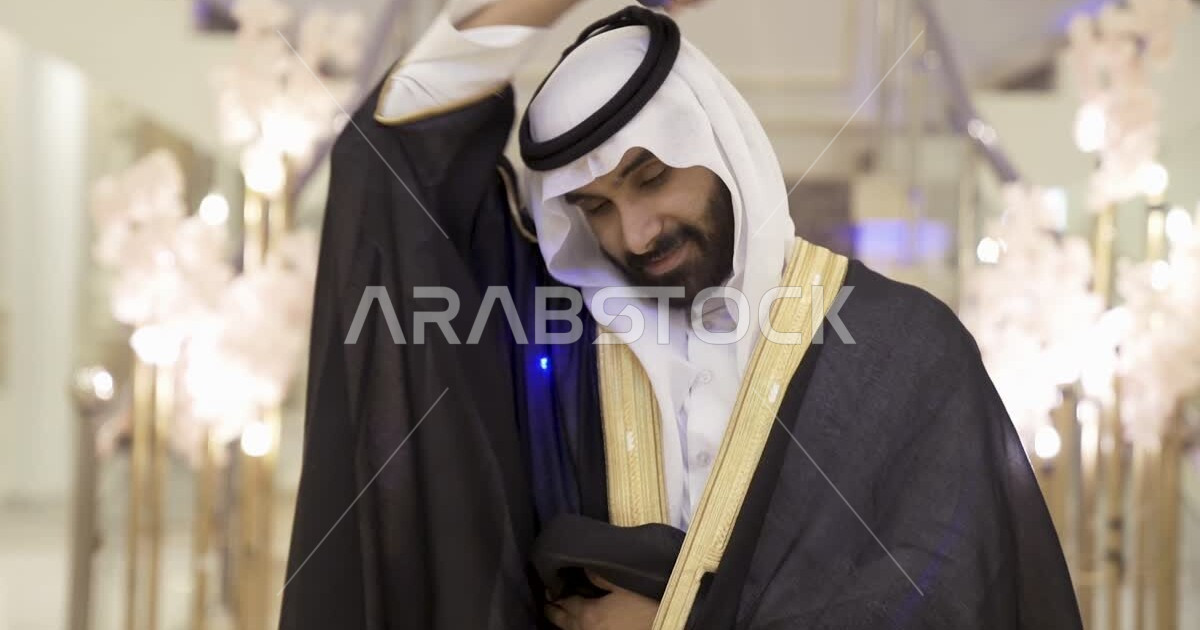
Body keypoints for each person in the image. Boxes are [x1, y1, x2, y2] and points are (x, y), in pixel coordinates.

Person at [279, 1, 1083, 628]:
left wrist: (684, 621)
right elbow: (396, 145)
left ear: (719, 143)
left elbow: (953, 603)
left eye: (652, 175)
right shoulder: (556, 345)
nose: (636, 232)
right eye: (594, 205)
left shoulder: (906, 350)